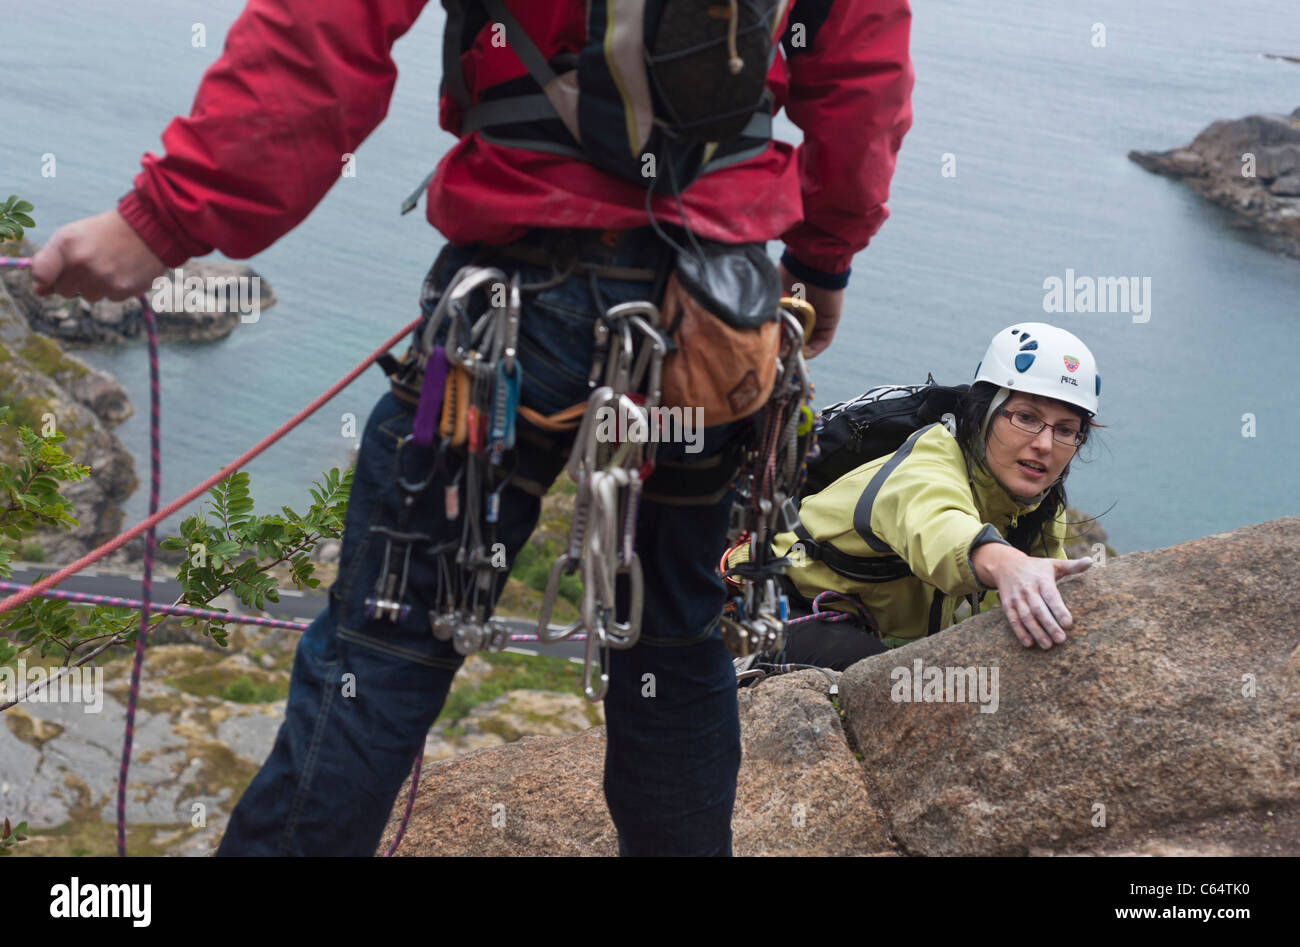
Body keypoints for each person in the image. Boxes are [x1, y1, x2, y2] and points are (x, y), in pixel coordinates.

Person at [29, 0, 913, 855]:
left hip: (516, 305)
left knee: (387, 639)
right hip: (714, 324)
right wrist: (824, 254)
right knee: (677, 642)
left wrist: (164, 220)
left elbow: (321, 37)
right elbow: (858, 69)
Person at [735, 323, 1101, 671]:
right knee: (883, 672)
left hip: (868, 631)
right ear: (983, 415)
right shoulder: (927, 466)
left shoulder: (1039, 506)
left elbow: (1049, 599)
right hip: (766, 605)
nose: (1044, 444)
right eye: (1026, 417)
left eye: (1067, 430)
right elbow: (939, 526)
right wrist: (1007, 564)